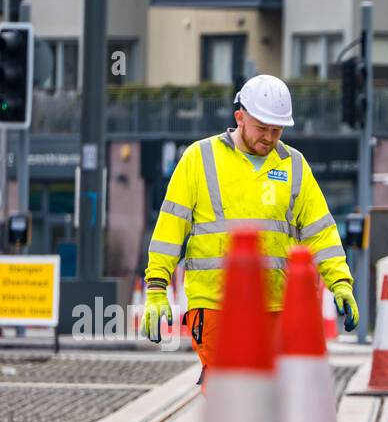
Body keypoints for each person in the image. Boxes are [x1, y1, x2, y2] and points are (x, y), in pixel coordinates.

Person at [140, 75, 357, 368]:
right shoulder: (199, 158)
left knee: (270, 399)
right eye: (262, 128)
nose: (269, 137)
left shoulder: (293, 165)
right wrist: (156, 288)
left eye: (277, 130)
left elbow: (321, 233)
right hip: (215, 305)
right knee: (231, 391)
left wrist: (340, 282)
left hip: (277, 307)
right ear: (239, 117)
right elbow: (169, 230)